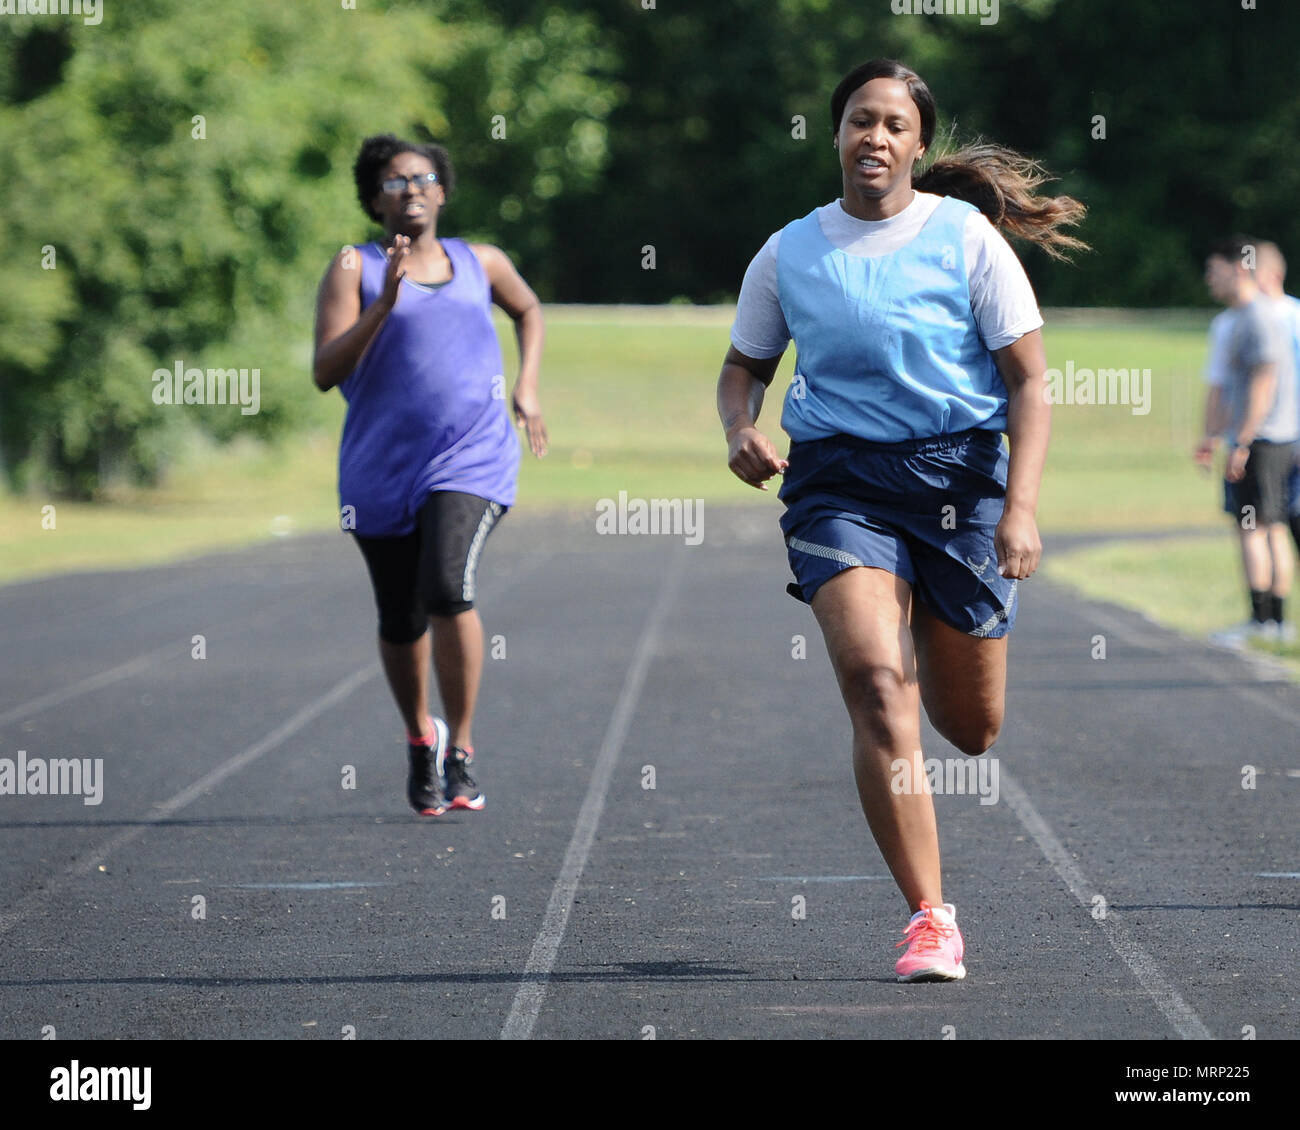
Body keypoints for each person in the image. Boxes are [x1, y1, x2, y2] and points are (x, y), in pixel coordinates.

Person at [715, 59, 1083, 981]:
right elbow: (743, 368)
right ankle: (930, 918)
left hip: (960, 482)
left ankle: (947, 615)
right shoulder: (789, 250)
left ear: (918, 144)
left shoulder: (964, 238)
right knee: (880, 686)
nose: (873, 137)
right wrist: (739, 428)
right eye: (857, 120)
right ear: (835, 134)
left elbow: (1030, 380)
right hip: (838, 483)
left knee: (972, 728)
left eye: (892, 124)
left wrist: (1022, 510)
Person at [313, 134, 547, 816]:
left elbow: (529, 309)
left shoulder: (482, 262)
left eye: (422, 178)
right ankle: (420, 734)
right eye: (393, 181)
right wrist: (381, 305)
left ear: (442, 191)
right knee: (400, 613)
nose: (410, 188)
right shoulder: (353, 266)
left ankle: (462, 750)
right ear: (373, 198)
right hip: (379, 467)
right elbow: (326, 372)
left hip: (471, 457)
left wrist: (526, 386)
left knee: (448, 586)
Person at [1197, 236, 1298, 648]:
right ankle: (1274, 622)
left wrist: (1240, 440)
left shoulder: (1255, 316)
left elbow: (1264, 378)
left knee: (1254, 528)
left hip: (1262, 440)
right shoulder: (1246, 316)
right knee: (1271, 526)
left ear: (1237, 267)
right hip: (1275, 437)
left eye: (1214, 270)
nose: (1209, 279)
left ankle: (1264, 621)